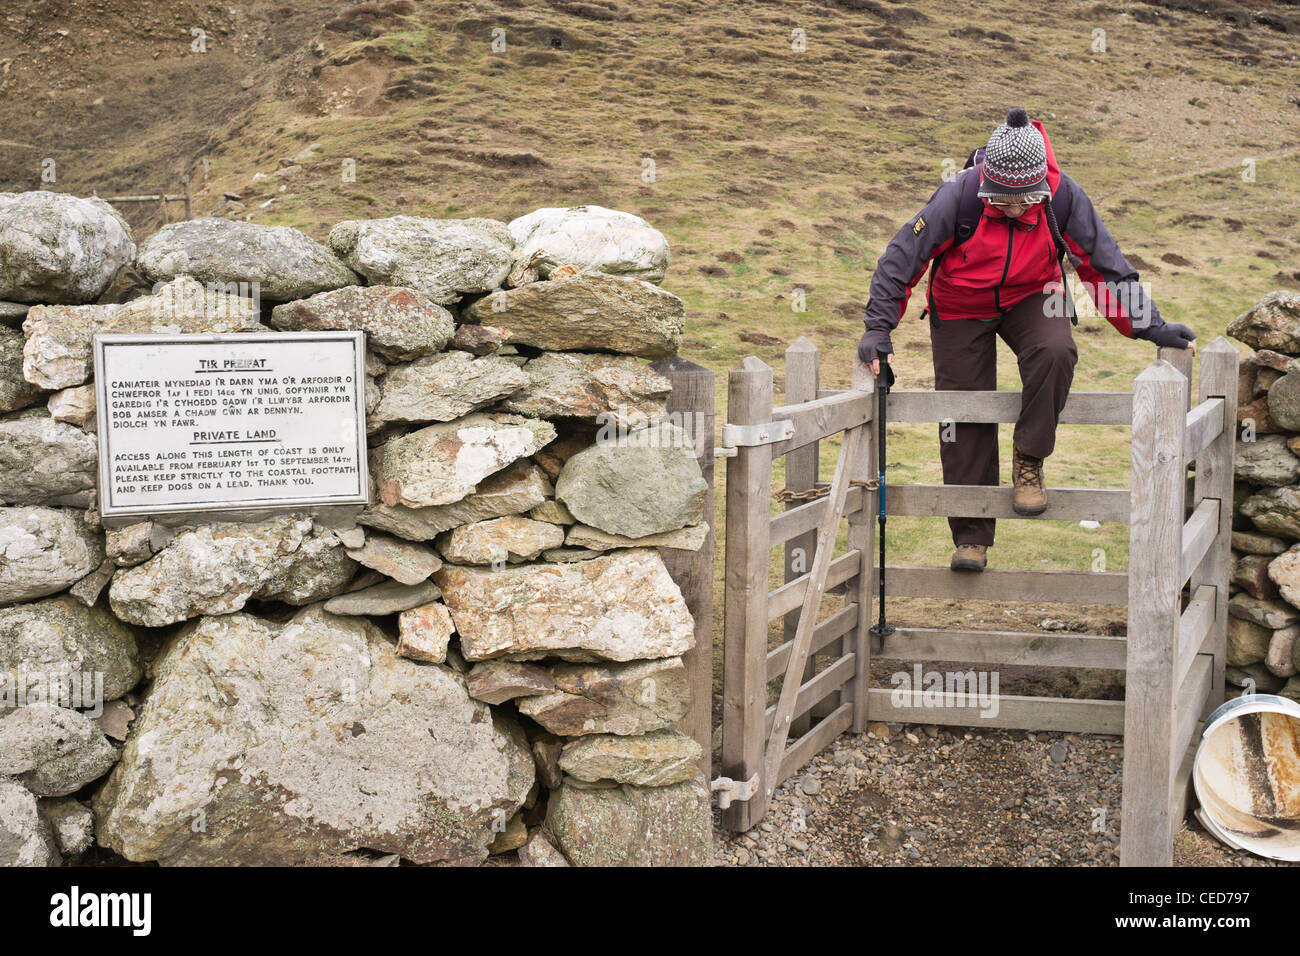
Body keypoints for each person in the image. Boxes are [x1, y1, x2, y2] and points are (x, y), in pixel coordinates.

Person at [857, 107, 1196, 572]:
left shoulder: (1063, 196)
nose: (1015, 207)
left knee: (1056, 351)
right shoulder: (959, 195)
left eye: (1025, 198)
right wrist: (878, 329)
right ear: (986, 183)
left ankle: (1029, 459)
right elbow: (901, 258)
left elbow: (1105, 266)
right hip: (959, 304)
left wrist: (1151, 325)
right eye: (1003, 198)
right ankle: (972, 536)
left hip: (1034, 293)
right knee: (962, 411)